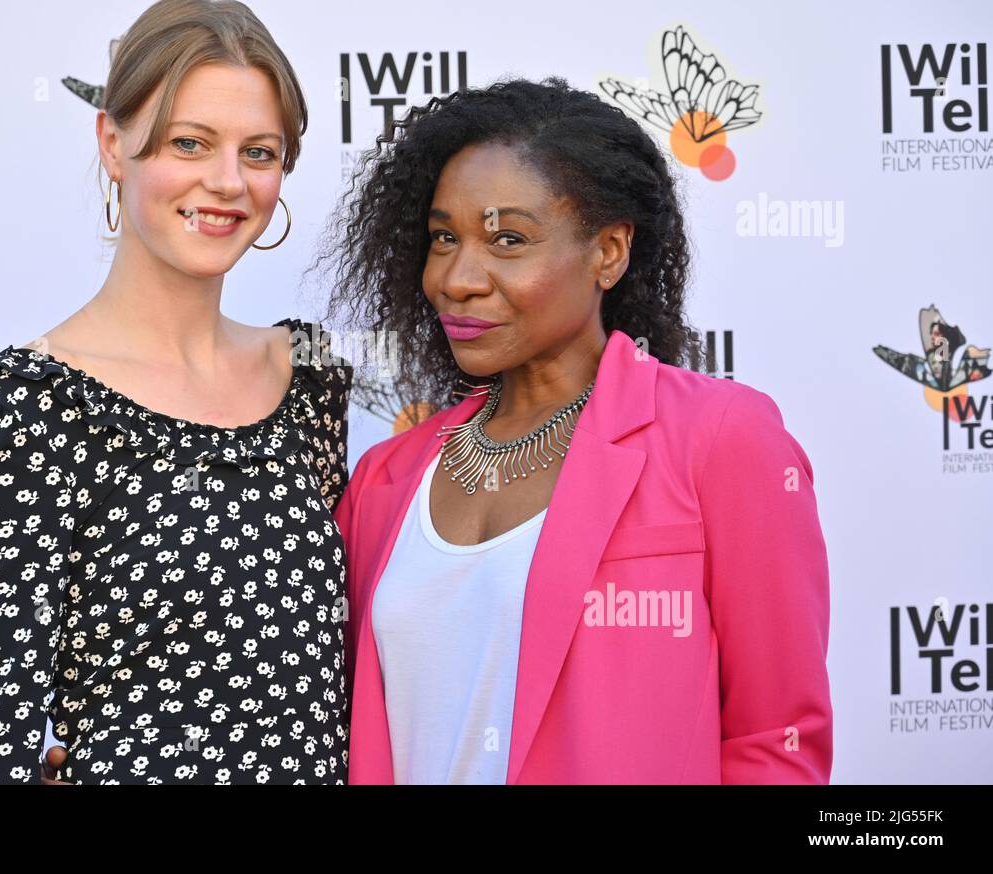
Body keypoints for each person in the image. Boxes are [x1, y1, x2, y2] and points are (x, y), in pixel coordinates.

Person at [322, 76, 832, 784]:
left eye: (508, 239)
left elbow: (775, 741)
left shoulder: (720, 441)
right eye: (444, 238)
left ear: (609, 253)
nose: (458, 278)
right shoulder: (385, 479)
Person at [0, 0, 352, 784]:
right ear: (113, 143)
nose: (227, 182)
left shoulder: (309, 376)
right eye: (189, 144)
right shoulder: (28, 411)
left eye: (258, 153)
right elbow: (0, 755)